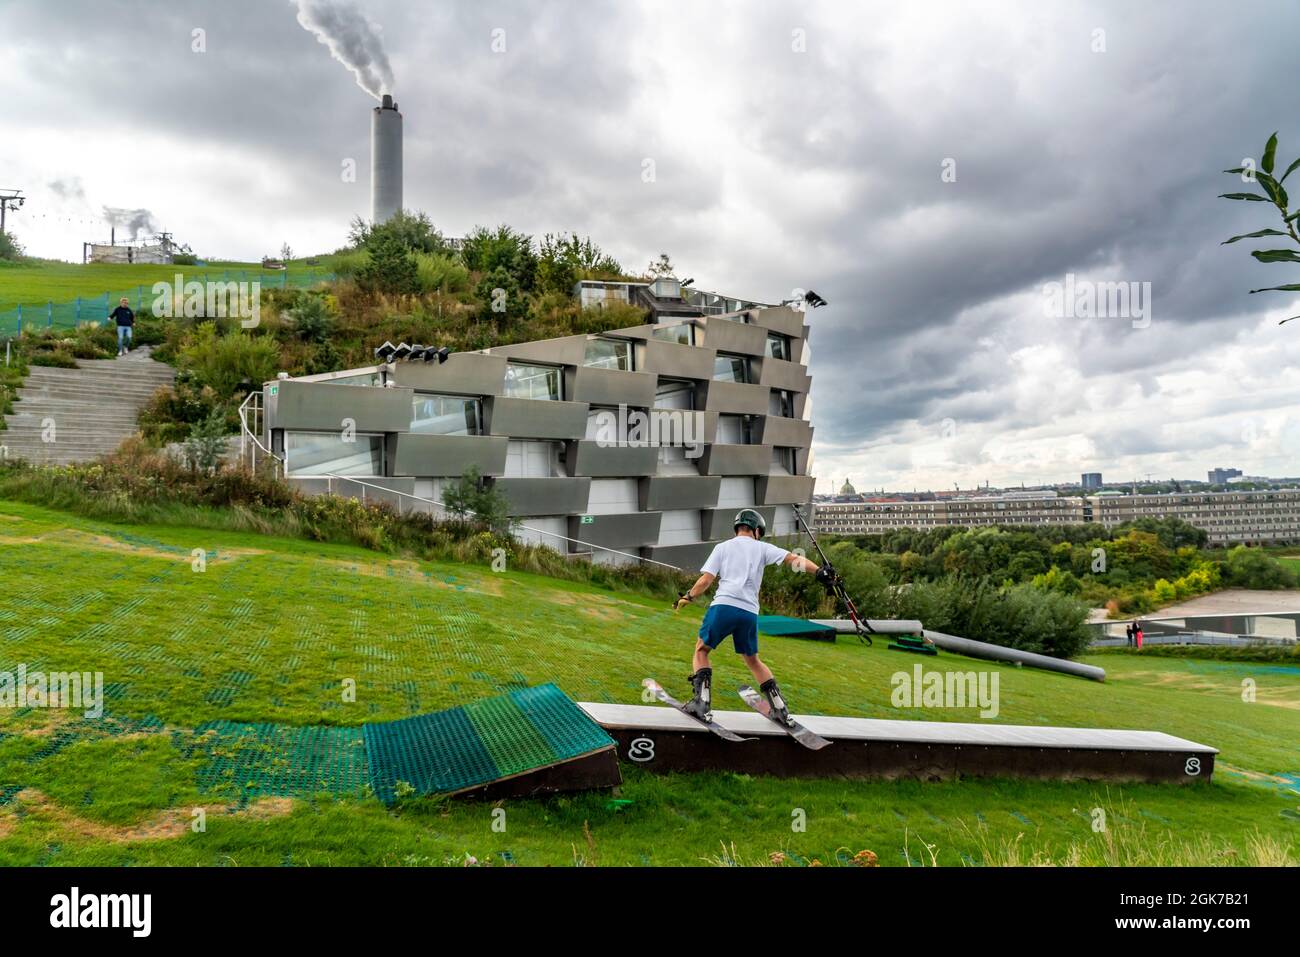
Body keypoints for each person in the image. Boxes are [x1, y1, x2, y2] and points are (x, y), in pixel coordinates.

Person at [672, 508, 835, 725]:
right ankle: (780, 709)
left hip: (724, 607)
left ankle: (701, 704)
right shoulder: (762, 548)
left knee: (702, 650)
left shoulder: (722, 548)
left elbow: (706, 580)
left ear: (738, 527)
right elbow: (793, 559)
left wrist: (688, 596)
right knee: (752, 660)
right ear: (757, 530)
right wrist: (819, 572)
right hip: (749, 613)